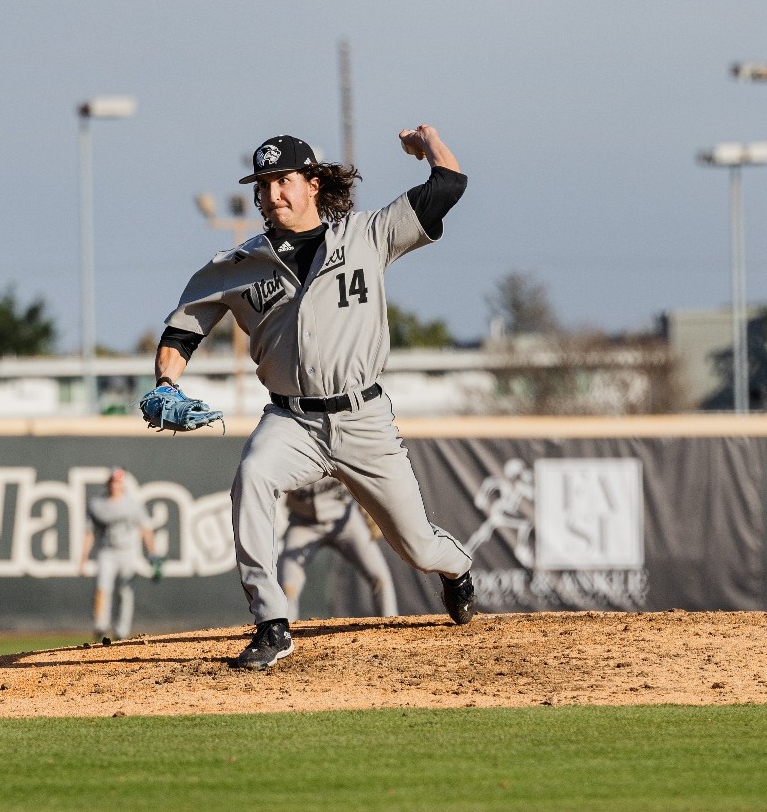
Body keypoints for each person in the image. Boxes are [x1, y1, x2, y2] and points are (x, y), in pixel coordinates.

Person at [149, 125, 475, 670]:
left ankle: (456, 568)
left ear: (314, 183)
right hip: (291, 420)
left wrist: (429, 138)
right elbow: (184, 330)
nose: (272, 194)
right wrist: (166, 381)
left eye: (284, 181)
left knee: (418, 547)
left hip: (363, 416)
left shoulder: (368, 235)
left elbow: (449, 184)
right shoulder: (238, 265)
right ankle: (271, 622)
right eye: (264, 185)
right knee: (252, 477)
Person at [279, 477, 399, 622]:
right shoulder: (289, 455)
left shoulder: (341, 452)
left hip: (345, 520)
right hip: (302, 523)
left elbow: (362, 476)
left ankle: (391, 625)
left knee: (380, 577)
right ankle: (284, 635)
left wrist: (370, 509)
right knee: (288, 585)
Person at [80, 468, 155, 642]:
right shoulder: (97, 504)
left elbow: (146, 529)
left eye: (118, 482)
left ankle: (122, 631)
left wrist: (152, 552)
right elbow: (88, 533)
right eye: (113, 481)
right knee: (102, 587)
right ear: (108, 483)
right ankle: (100, 626)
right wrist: (83, 558)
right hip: (107, 550)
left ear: (123, 485)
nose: (115, 485)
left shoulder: (132, 505)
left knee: (125, 591)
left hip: (128, 551)